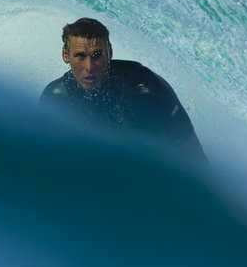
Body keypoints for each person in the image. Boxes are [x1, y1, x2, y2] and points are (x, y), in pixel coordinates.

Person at [39, 17, 206, 162]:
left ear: (109, 52)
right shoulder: (57, 98)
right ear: (66, 56)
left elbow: (195, 160)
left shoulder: (147, 90)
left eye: (97, 55)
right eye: (80, 56)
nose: (89, 67)